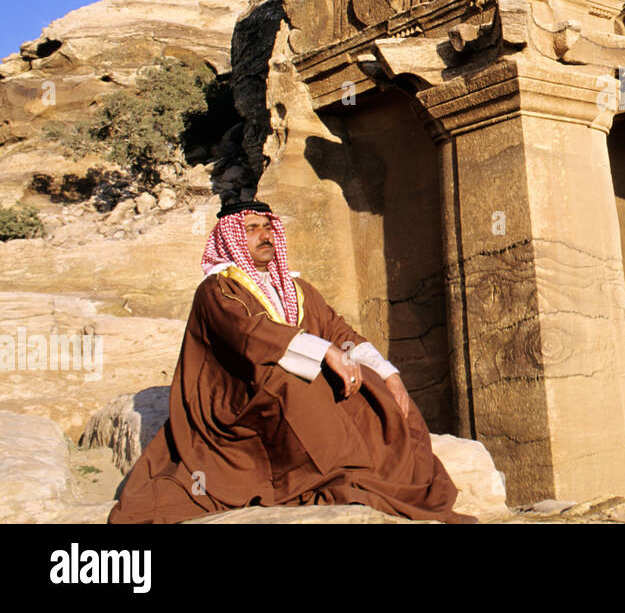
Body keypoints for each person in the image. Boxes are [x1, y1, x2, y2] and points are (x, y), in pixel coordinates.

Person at [108, 200, 474, 523]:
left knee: (379, 390)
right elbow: (251, 334)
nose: (264, 235)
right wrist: (326, 353)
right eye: (251, 229)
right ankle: (326, 476)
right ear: (231, 238)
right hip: (237, 397)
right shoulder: (218, 289)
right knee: (296, 386)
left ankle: (378, 479)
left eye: (268, 227)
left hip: (290, 379)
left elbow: (339, 332)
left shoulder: (298, 290)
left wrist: (389, 374)